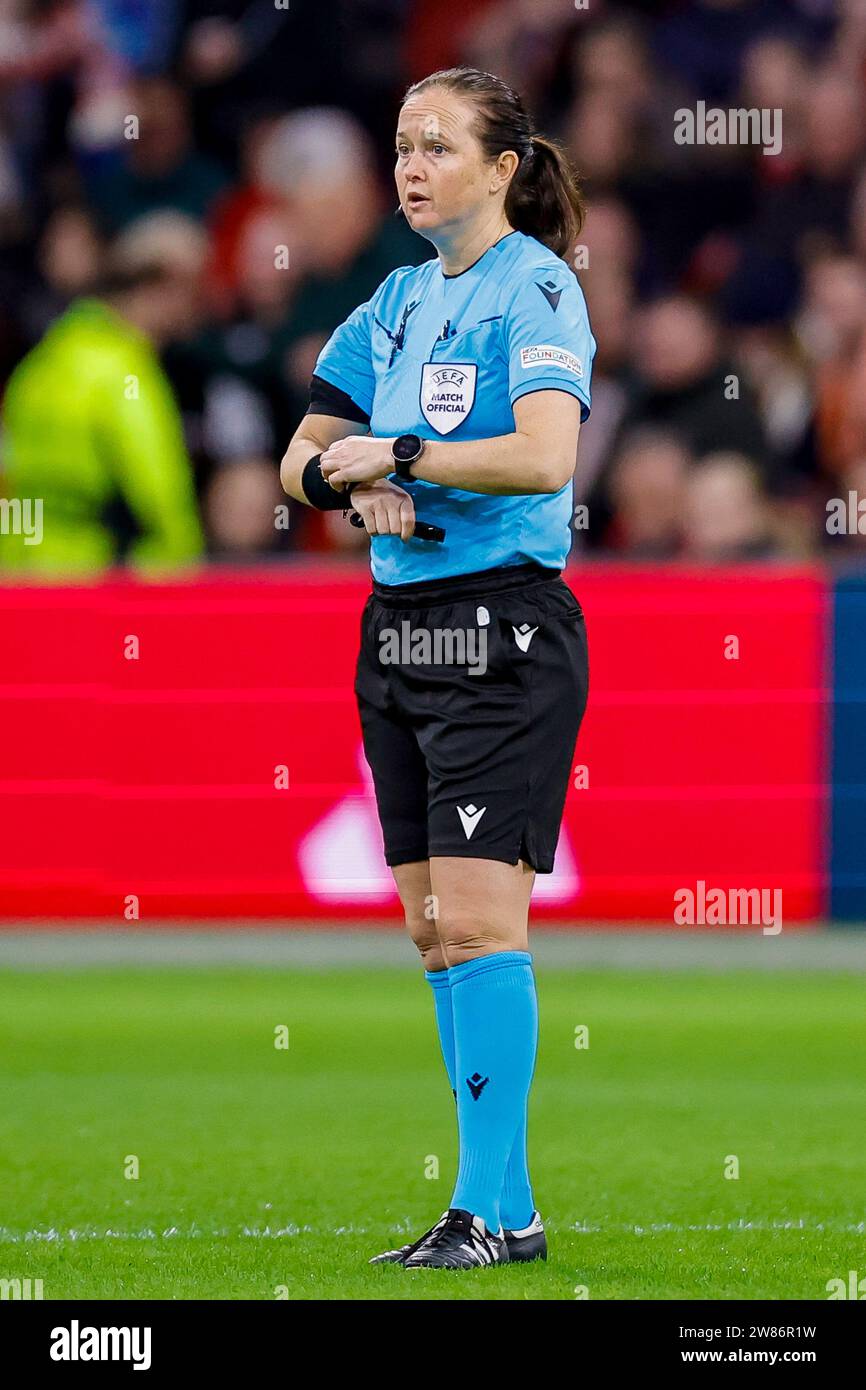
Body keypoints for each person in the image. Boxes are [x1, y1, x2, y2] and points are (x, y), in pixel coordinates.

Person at [280, 66, 595, 1271]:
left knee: (475, 920)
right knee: (429, 928)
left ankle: (489, 1206)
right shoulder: (395, 300)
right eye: (401, 145)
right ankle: (500, 1212)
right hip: (397, 628)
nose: (409, 166)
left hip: (499, 630)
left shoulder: (537, 288)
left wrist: (401, 452)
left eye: (435, 146)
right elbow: (296, 462)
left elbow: (542, 455)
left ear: (501, 169)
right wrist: (353, 482)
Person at [0, 212, 206, 573]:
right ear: (163, 284)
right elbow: (162, 497)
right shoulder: (125, 372)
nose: (199, 306)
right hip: (83, 575)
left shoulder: (42, 360)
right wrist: (181, 576)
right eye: (193, 289)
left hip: (15, 566)